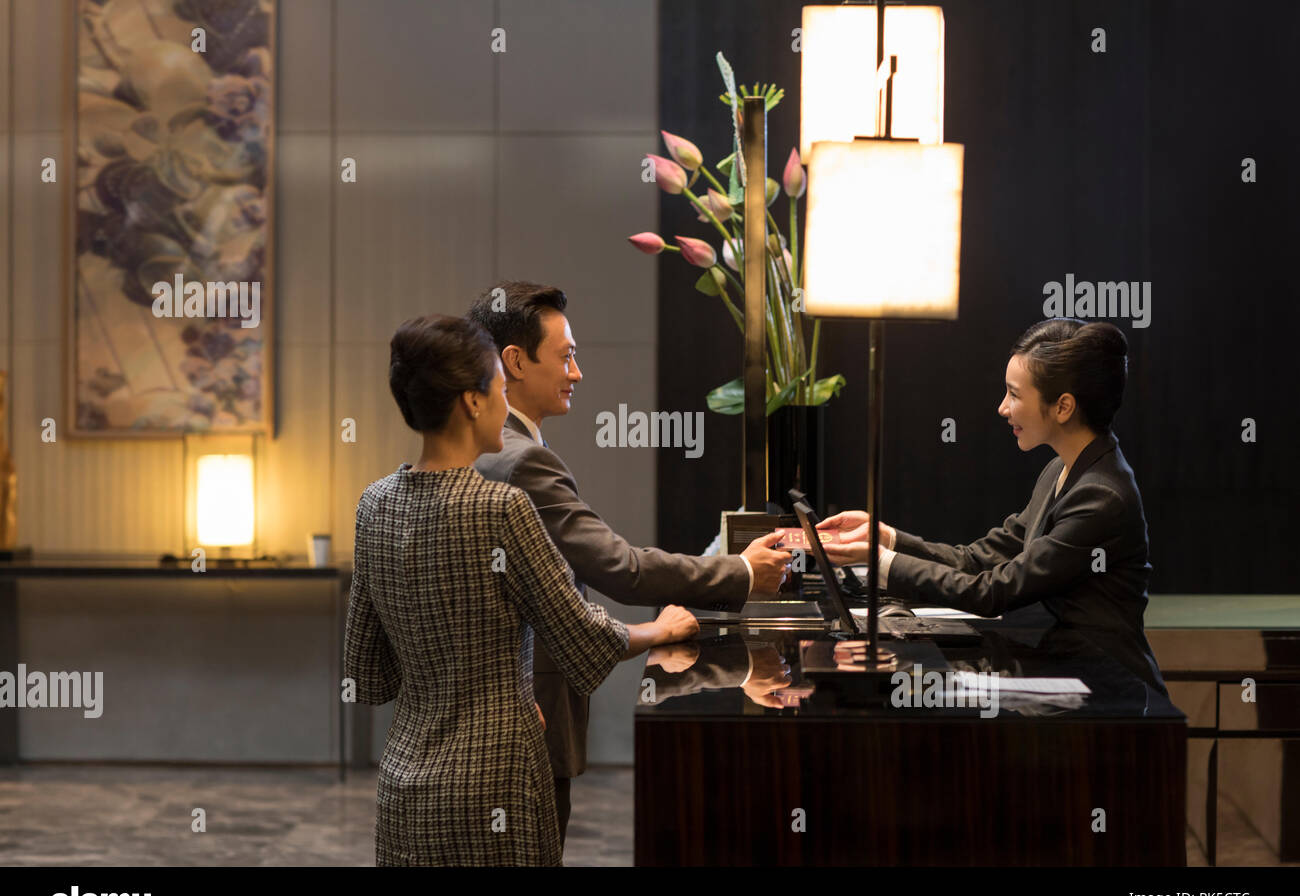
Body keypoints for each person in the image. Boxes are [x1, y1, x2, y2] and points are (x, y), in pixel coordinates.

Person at [344, 314, 697, 866]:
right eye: (501, 389)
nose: (507, 406)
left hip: (405, 783)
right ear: (472, 401)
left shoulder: (374, 504)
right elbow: (581, 638)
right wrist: (662, 628)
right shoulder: (501, 508)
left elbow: (367, 673)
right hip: (496, 781)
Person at [468, 281, 790, 843]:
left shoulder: (484, 453)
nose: (578, 372)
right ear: (515, 362)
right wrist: (740, 571)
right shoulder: (521, 461)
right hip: (525, 715)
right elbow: (620, 569)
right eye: (566, 355)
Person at [818, 318, 1166, 694]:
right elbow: (978, 559)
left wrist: (882, 564)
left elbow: (995, 591)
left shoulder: (1101, 496)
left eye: (1014, 395)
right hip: (1068, 676)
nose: (1003, 408)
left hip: (1111, 693)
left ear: (1063, 406)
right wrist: (888, 540)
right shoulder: (1060, 471)